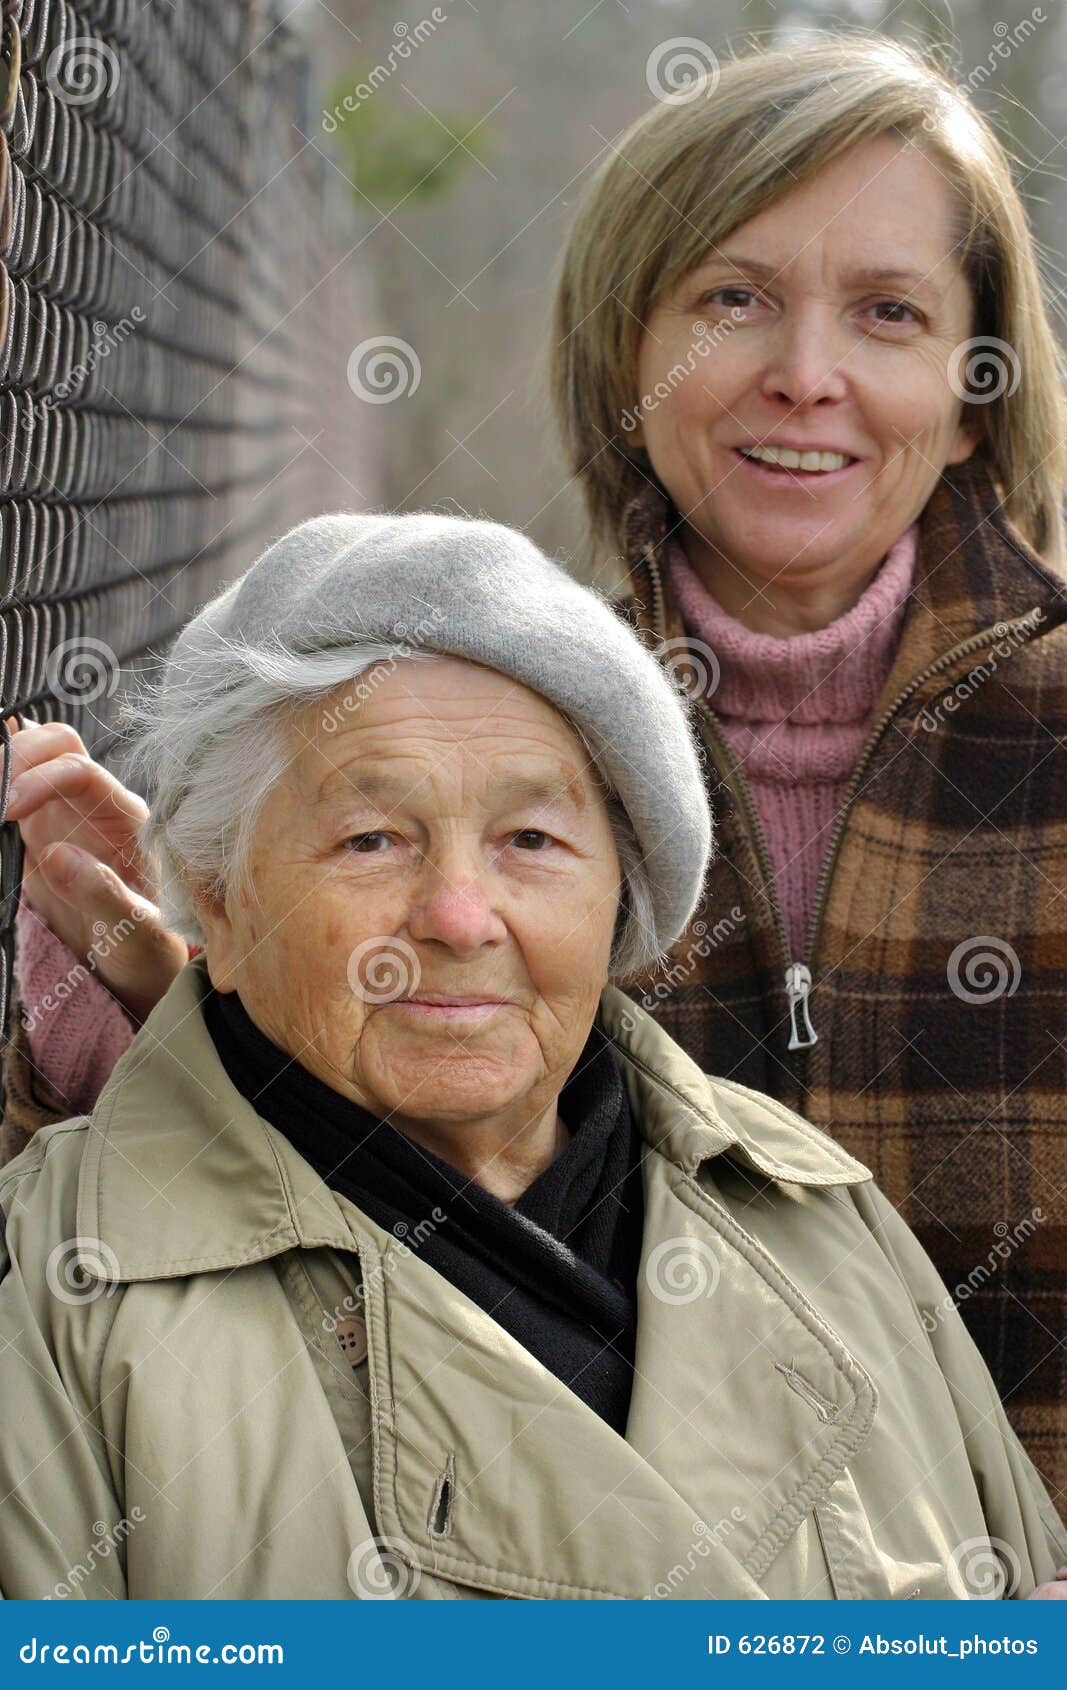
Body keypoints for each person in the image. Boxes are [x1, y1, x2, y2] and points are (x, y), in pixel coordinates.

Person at [3, 32, 1066, 1508]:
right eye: (733, 299)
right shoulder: (470, 734)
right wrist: (172, 1034)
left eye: (886, 313)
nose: (805, 377)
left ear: (971, 388)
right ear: (627, 346)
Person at [0, 509, 1065, 1601]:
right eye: (372, 839)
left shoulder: (811, 1207)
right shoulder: (56, 1301)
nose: (459, 917)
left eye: (531, 841)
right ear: (217, 902)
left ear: (619, 902)